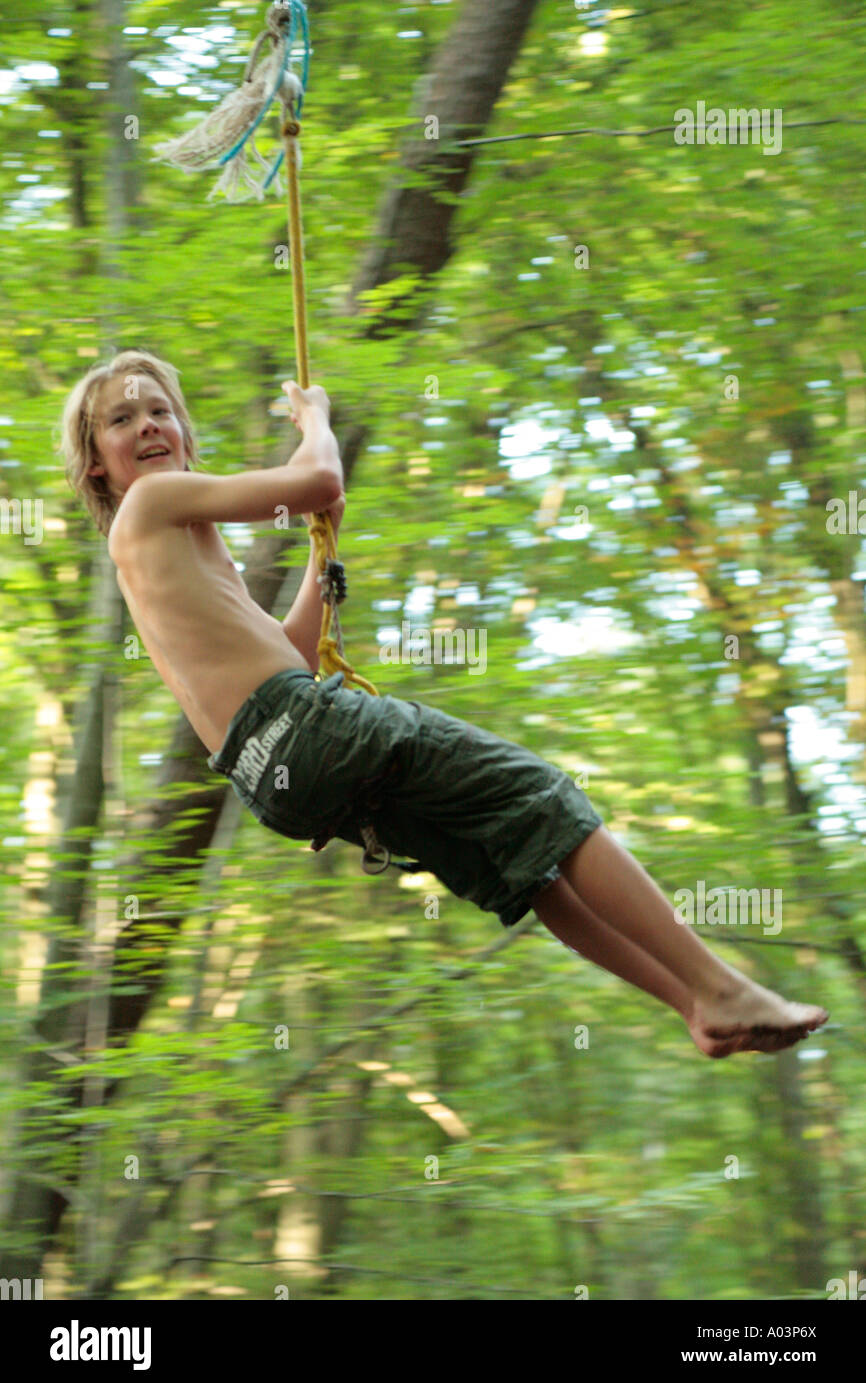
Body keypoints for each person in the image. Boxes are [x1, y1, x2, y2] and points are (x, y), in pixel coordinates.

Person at [61, 349, 828, 1059]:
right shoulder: (153, 503)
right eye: (122, 420)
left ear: (185, 431)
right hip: (303, 730)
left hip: (276, 770)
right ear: (98, 465)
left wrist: (320, 560)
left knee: (529, 867)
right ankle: (719, 981)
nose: (147, 426)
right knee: (543, 796)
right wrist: (315, 418)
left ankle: (693, 1004)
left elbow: (289, 655)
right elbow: (318, 480)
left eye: (158, 410)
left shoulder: (174, 545)